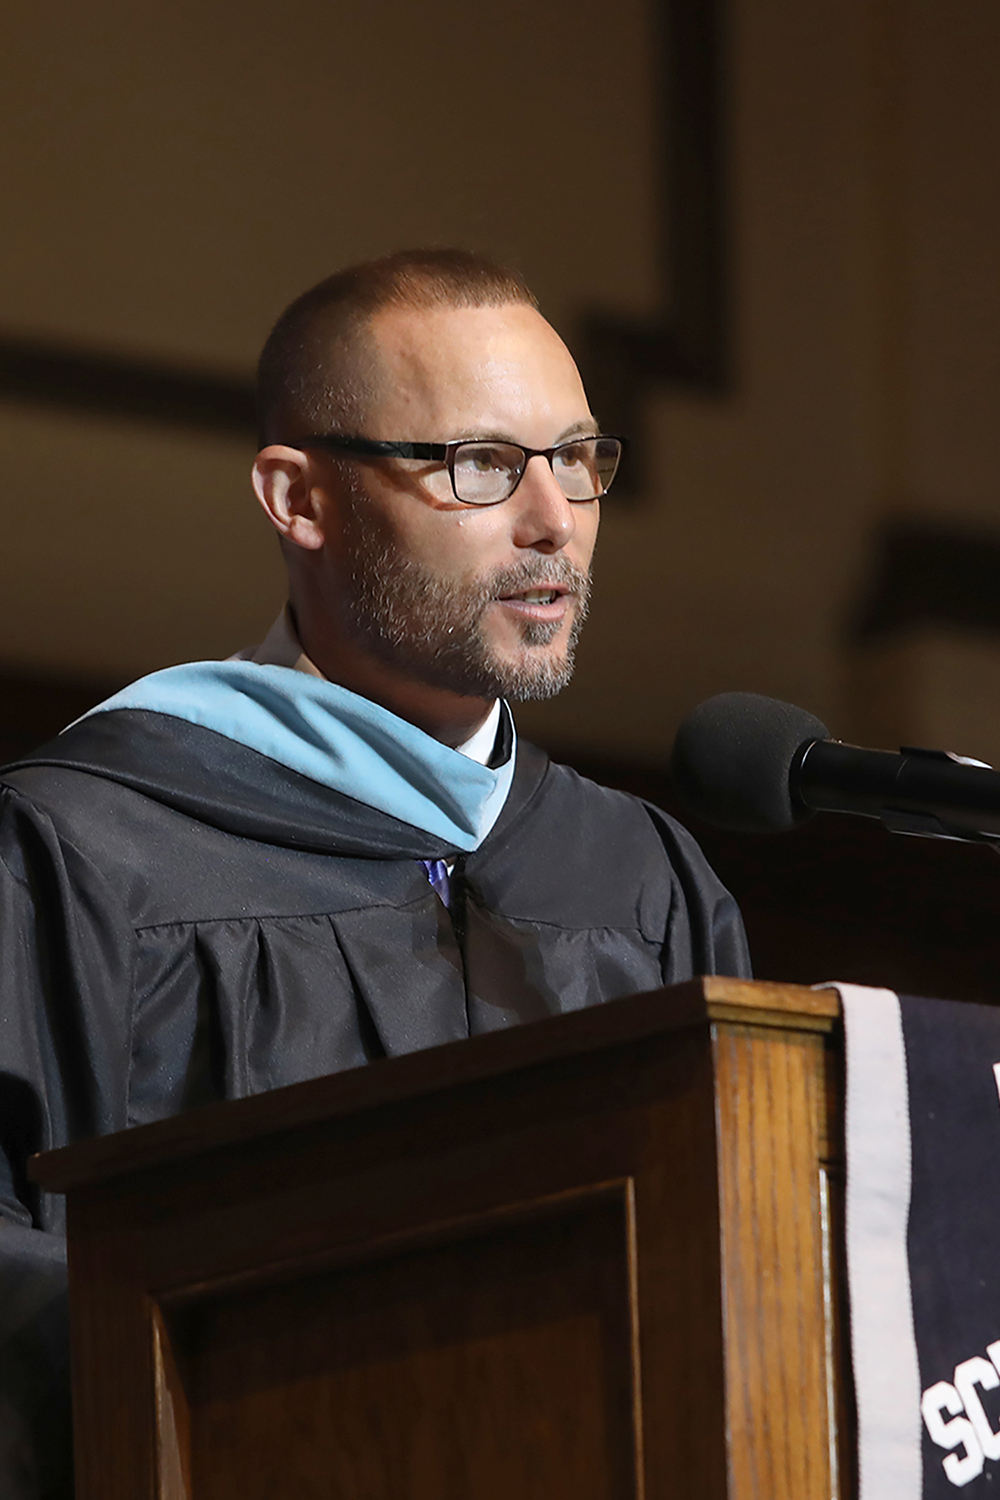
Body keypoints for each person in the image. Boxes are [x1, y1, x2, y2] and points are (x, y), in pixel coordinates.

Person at [0, 248, 749, 1494]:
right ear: (300, 499)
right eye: (480, 466)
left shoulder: (640, 878)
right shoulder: (85, 852)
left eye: (576, 458)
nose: (553, 519)